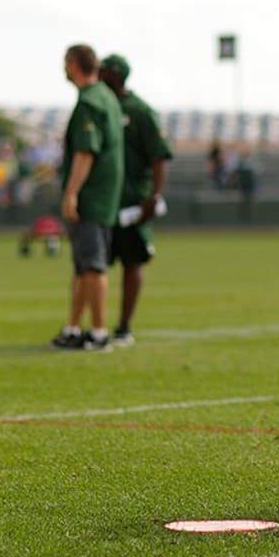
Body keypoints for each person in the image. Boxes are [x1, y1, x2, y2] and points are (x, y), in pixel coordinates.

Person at [50, 45, 124, 351]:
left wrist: (72, 193)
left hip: (92, 196)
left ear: (74, 64)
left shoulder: (90, 102)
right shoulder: (107, 97)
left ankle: (98, 331)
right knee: (83, 267)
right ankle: (73, 327)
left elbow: (85, 152)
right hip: (104, 194)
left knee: (93, 266)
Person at [100, 54, 173, 346]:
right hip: (103, 199)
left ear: (115, 75)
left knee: (132, 263)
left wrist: (153, 196)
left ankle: (124, 326)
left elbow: (159, 156)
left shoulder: (140, 111)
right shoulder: (99, 105)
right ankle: (97, 326)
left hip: (132, 200)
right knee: (95, 265)